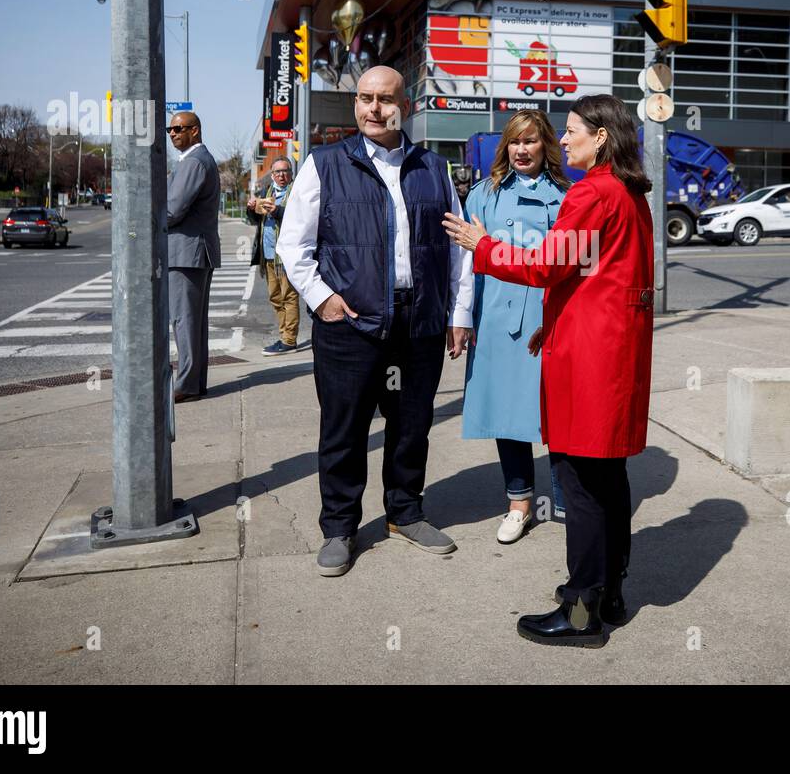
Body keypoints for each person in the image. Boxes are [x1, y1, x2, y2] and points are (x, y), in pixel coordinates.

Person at [444, 93, 654, 648]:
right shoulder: (630, 194)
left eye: (571, 130)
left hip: (588, 361)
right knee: (609, 480)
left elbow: (545, 265)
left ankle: (581, 609)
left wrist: (482, 245)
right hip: (610, 351)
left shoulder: (590, 193)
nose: (563, 140)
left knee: (582, 486)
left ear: (601, 137)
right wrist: (554, 322)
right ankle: (609, 591)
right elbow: (595, 277)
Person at [277, 65, 474, 577]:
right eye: (365, 97)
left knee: (412, 427)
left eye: (385, 99)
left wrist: (457, 313)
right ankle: (340, 528)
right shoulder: (324, 164)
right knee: (343, 430)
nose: (373, 108)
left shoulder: (434, 169)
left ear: (403, 105)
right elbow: (292, 247)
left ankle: (405, 513)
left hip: (418, 324)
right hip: (350, 325)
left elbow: (458, 250)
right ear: (355, 103)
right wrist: (323, 301)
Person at [461, 110, 569, 544]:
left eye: (531, 141)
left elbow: (579, 263)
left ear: (547, 146)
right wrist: (460, 317)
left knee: (559, 413)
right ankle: (519, 503)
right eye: (515, 142)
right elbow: (464, 265)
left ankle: (565, 501)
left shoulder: (569, 196)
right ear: (505, 147)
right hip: (497, 318)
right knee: (508, 414)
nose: (522, 150)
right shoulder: (483, 195)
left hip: (549, 318)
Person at [165, 111, 221, 404]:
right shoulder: (200, 160)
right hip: (194, 252)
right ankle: (195, 382)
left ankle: (187, 384)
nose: (173, 133)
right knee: (193, 322)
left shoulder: (194, 161)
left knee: (184, 320)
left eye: (178, 129)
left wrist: (145, 217)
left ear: (195, 131)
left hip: (187, 253)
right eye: (170, 129)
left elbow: (172, 210)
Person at [246, 156, 303, 356]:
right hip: (268, 255)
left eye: (285, 171)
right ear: (271, 175)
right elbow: (255, 221)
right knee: (275, 297)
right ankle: (283, 335)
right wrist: (251, 208)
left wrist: (277, 211)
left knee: (289, 296)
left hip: (286, 255)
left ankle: (289, 340)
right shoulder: (266, 192)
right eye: (277, 172)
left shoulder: (296, 192)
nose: (281, 175)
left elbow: (300, 218)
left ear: (291, 173)